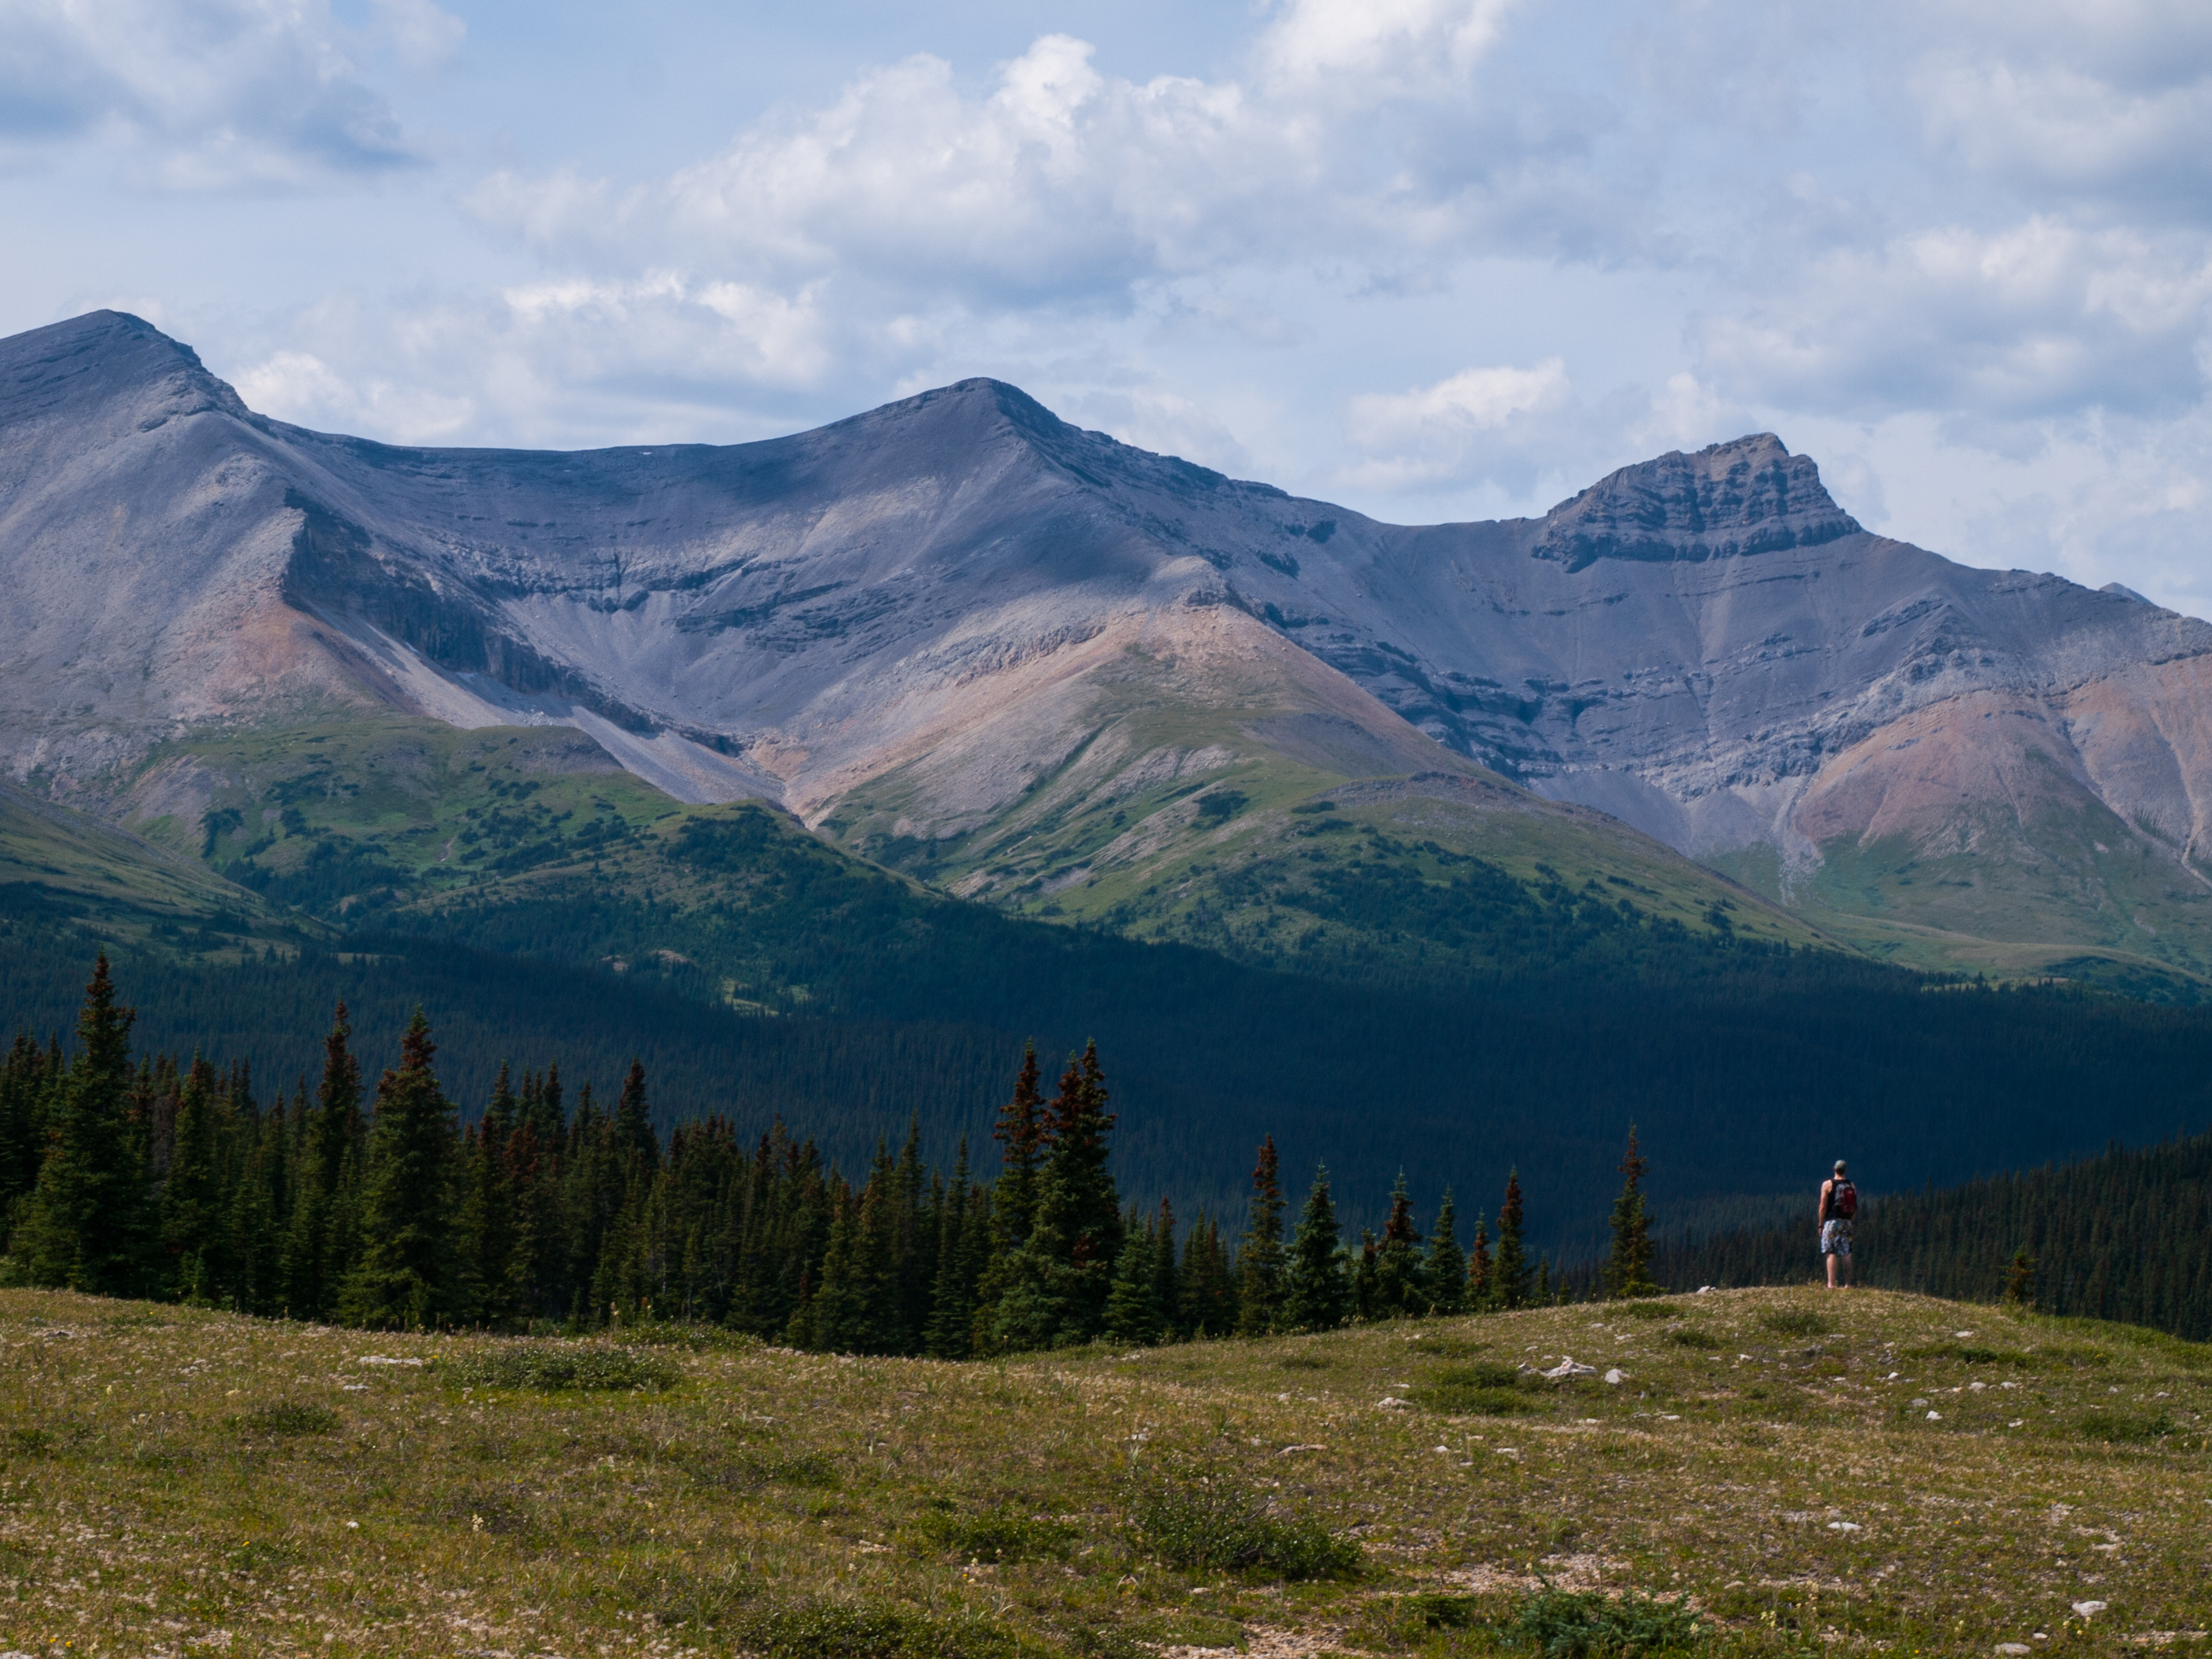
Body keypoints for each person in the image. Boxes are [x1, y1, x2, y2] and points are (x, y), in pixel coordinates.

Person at [1818, 1159, 1857, 1289]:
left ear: (1834, 1169)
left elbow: (1823, 1207)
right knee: (1846, 1253)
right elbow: (1854, 1207)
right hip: (1847, 1222)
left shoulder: (1827, 1185)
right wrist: (1850, 1220)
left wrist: (1821, 1224)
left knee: (1831, 1252)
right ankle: (1848, 1284)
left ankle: (1831, 1284)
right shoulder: (1851, 1186)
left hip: (1832, 1222)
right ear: (1845, 1170)